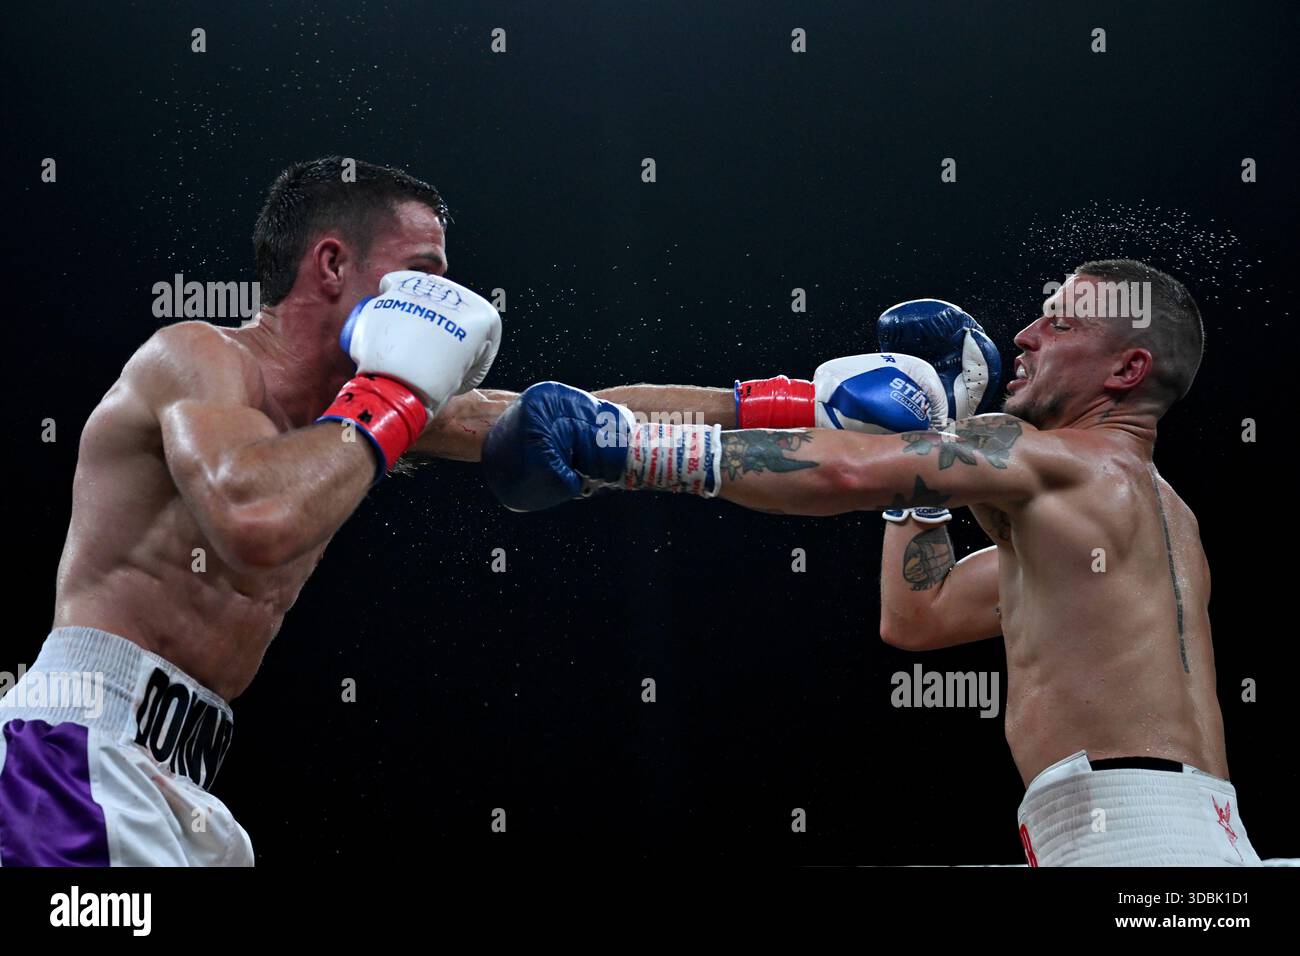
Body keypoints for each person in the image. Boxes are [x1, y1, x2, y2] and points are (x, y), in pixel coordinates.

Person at [481, 261, 1261, 866]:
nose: (1022, 334)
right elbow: (919, 616)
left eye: (1058, 325)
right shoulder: (1158, 520)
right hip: (1198, 842)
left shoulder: (1044, 457)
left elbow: (845, 471)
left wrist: (631, 450)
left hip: (1130, 844)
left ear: (1125, 371)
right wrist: (923, 482)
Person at [0, 157, 501, 865]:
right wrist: (391, 397)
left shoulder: (355, 414)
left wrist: (705, 439)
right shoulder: (198, 356)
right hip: (75, 754)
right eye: (422, 272)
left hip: (180, 782)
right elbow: (256, 518)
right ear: (331, 263)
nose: (442, 302)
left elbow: (561, 423)